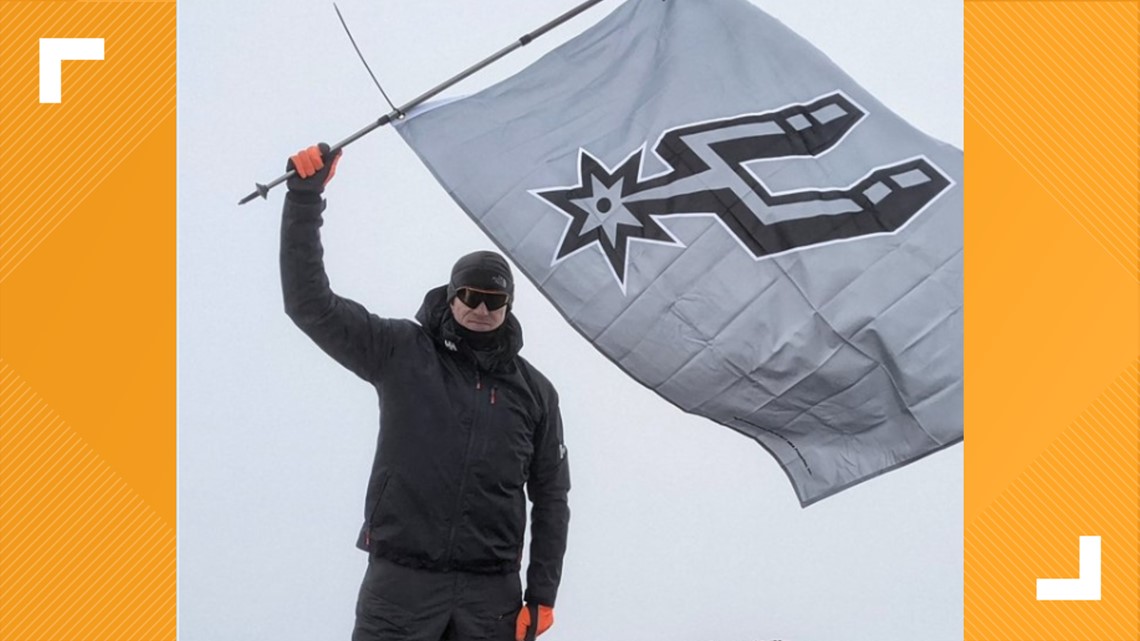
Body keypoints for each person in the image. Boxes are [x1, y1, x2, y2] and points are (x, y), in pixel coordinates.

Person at [279, 144, 570, 641]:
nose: (480, 308)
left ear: (509, 306)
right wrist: (305, 200)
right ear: (451, 295)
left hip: (491, 598)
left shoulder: (535, 392)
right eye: (470, 296)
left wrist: (541, 593)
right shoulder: (400, 350)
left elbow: (551, 495)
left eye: (493, 300)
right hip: (400, 586)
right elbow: (311, 305)